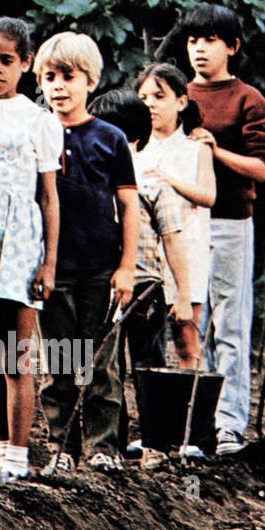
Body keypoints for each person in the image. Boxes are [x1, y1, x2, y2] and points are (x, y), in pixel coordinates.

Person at [162, 5, 265, 455]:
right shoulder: (176, 95)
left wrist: (215, 149)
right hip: (181, 224)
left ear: (232, 47)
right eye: (193, 41)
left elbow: (261, 169)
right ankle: (192, 426)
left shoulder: (250, 101)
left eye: (210, 40)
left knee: (229, 321)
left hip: (230, 222)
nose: (200, 50)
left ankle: (229, 424)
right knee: (188, 322)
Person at [34, 32, 139, 474]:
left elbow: (128, 203)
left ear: (90, 81)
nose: (59, 86)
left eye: (69, 77)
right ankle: (61, 447)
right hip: (51, 267)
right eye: (50, 76)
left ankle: (104, 447)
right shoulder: (34, 131)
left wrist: (127, 267)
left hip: (101, 266)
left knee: (100, 364)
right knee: (60, 360)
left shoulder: (110, 138)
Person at [0, 17, 61, 487]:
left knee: (18, 353)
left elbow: (48, 195)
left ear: (26, 62)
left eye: (7, 60)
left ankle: (19, 458)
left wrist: (48, 261)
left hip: (21, 242)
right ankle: (1, 451)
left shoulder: (39, 120)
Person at [87, 90, 193, 465]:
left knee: (149, 367)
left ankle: (156, 444)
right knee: (106, 367)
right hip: (105, 283)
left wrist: (183, 294)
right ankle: (111, 443)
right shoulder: (94, 176)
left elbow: (173, 239)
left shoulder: (151, 180)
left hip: (147, 287)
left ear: (130, 135)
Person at [136, 62, 215, 371]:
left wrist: (169, 180)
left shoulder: (196, 146)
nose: (151, 105)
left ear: (181, 101)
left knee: (186, 340)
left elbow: (208, 196)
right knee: (146, 342)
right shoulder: (136, 149)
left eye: (159, 96)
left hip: (188, 252)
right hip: (147, 258)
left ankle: (191, 414)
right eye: (144, 98)